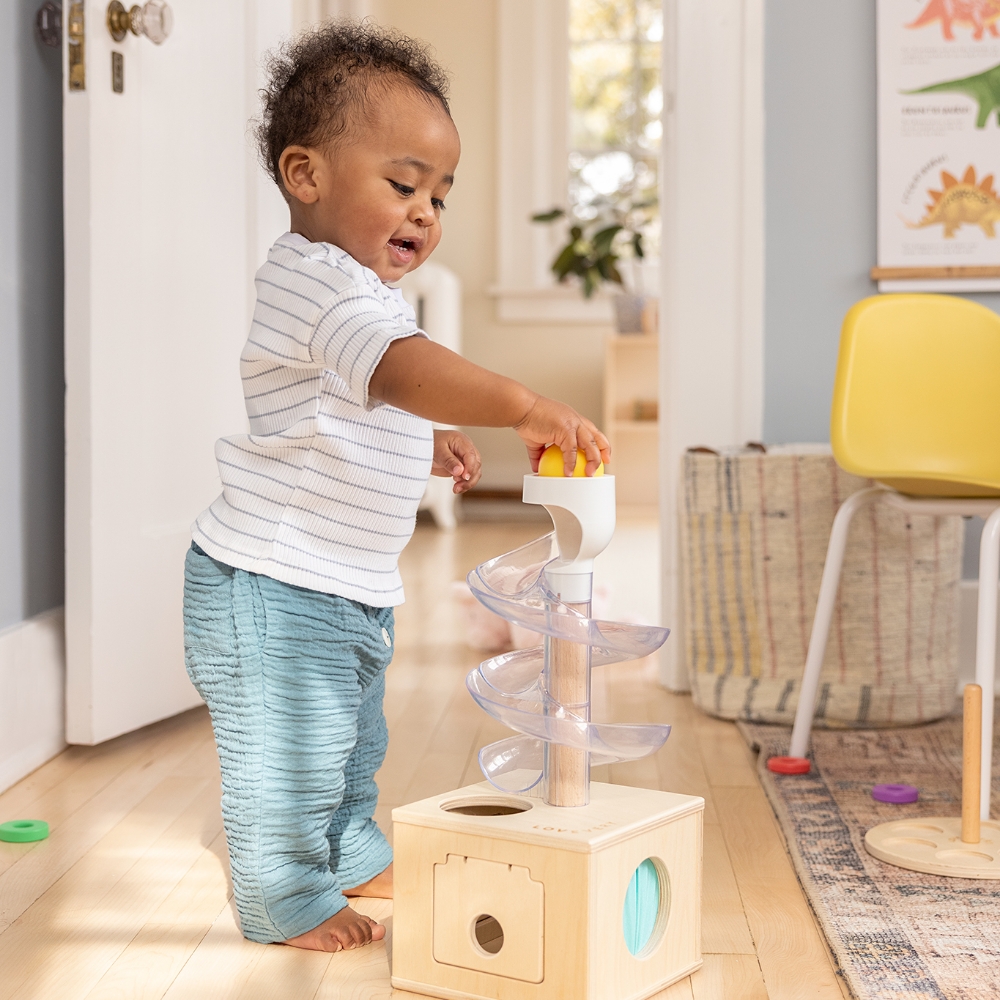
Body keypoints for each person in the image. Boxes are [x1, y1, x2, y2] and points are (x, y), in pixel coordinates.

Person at [183, 20, 610, 955]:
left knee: (351, 739)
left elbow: (356, 397)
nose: (424, 212)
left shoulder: (363, 292)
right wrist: (520, 405)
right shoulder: (314, 281)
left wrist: (423, 440)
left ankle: (344, 852)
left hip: (341, 583)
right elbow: (399, 368)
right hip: (273, 582)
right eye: (403, 185)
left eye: (440, 196)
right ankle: (282, 892)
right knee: (292, 751)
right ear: (307, 175)